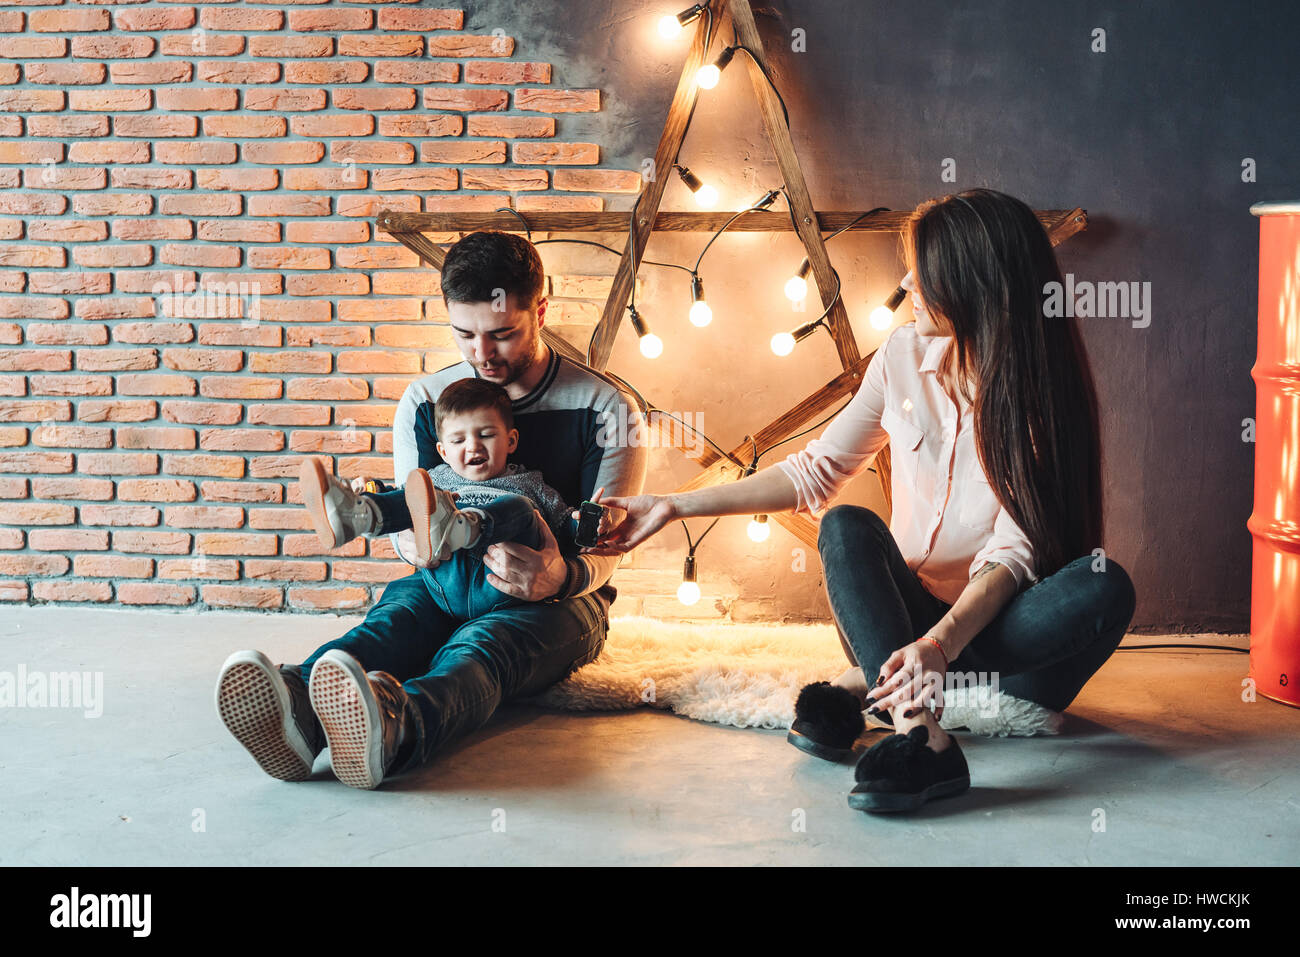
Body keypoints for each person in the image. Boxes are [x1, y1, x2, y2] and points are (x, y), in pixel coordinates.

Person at [590, 188, 1137, 814]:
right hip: (898, 624)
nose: (907, 283)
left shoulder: (1041, 393)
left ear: (973, 283)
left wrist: (938, 647)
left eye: (923, 270)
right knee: (846, 522)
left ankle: (866, 686)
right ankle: (920, 733)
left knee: (1105, 586)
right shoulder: (900, 356)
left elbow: (1011, 557)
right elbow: (815, 471)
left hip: (1012, 643)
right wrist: (674, 506)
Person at [215, 230, 647, 790]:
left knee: (480, 648)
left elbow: (608, 543)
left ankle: (399, 727)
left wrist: (560, 575)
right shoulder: (425, 401)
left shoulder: (606, 406)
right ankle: (297, 708)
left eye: (502, 335)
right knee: (392, 625)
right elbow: (408, 522)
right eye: (464, 335)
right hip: (444, 578)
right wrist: (407, 536)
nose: (481, 355)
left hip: (564, 600)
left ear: (541, 310)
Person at [297, 376, 615, 620]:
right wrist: (373, 491)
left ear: (511, 440)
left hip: (500, 583)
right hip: (443, 581)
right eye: (459, 440)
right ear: (443, 451)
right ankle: (359, 516)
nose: (473, 447)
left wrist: (586, 523)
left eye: (486, 435)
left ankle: (467, 526)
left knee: (519, 507)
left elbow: (563, 526)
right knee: (412, 494)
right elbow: (403, 500)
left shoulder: (530, 482)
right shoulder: (435, 479)